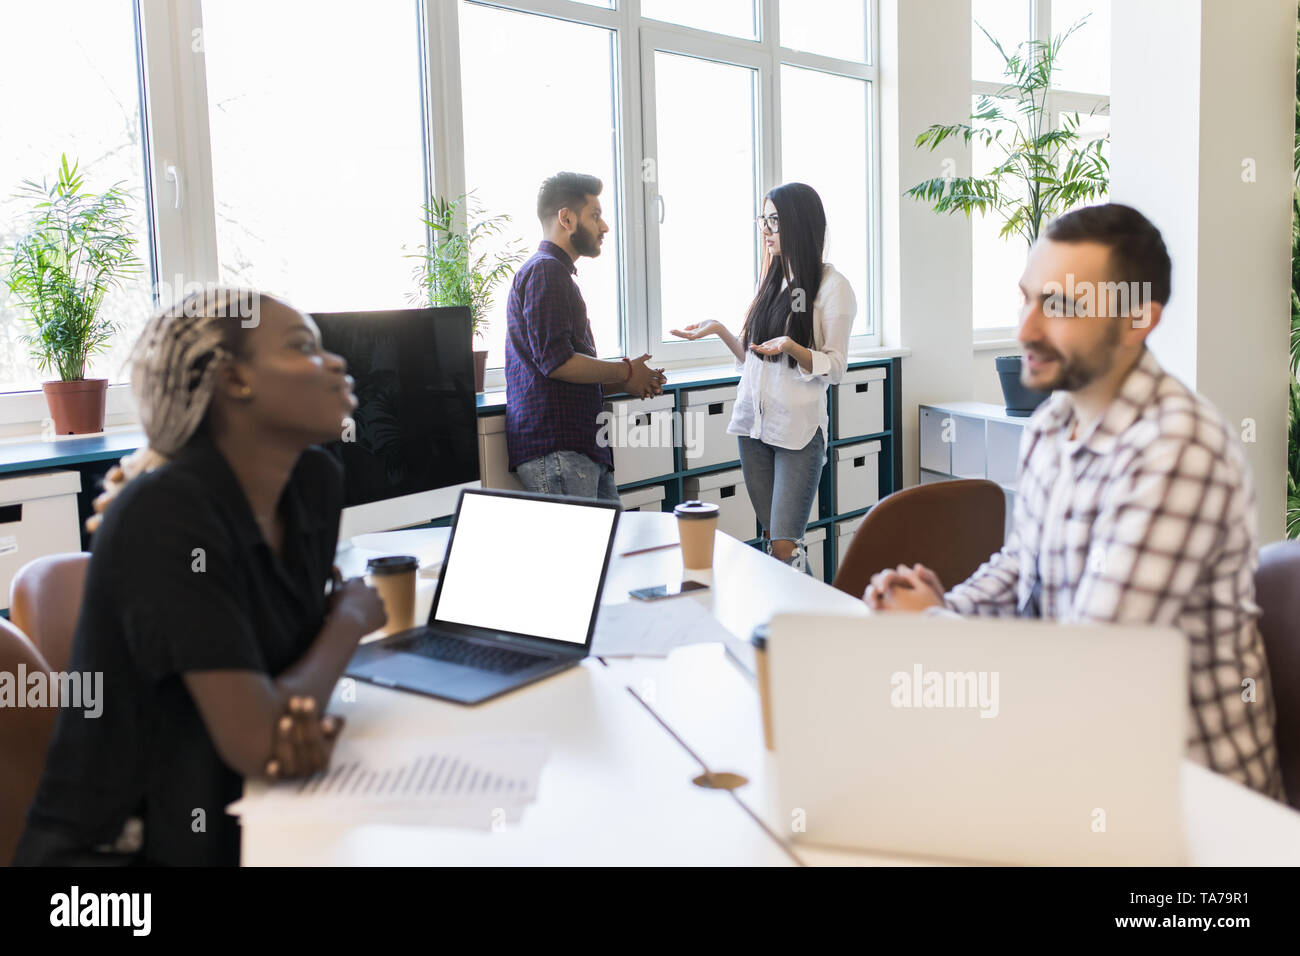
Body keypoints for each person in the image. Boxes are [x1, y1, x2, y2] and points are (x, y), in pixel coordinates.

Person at [867, 203, 1283, 798]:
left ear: (1138, 319)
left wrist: (934, 630)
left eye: (1059, 306)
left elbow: (1093, 667)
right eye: (1027, 299)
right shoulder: (1051, 424)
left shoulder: (1178, 452)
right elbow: (1023, 567)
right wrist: (944, 614)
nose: (1026, 330)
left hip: (1189, 812)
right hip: (1077, 769)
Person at [15, 288, 388, 866]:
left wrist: (292, 721)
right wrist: (351, 619)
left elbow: (282, 696)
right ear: (235, 380)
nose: (334, 362)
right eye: (302, 348)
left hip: (251, 813)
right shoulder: (165, 513)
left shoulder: (314, 480)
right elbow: (262, 738)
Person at [672, 182, 856, 571]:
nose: (766, 230)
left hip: (798, 434)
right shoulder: (773, 280)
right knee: (773, 543)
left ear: (802, 225)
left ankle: (813, 625)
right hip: (754, 432)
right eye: (764, 219)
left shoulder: (833, 287)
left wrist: (792, 346)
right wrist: (720, 329)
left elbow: (836, 367)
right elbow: (755, 361)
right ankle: (782, 625)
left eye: (775, 220)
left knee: (787, 548)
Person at [506, 171, 666, 502]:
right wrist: (626, 371)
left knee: (607, 551)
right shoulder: (546, 271)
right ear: (566, 217)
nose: (604, 226)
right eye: (595, 215)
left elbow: (559, 371)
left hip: (576, 449)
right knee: (583, 554)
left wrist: (626, 382)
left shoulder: (553, 273)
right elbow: (557, 363)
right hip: (559, 450)